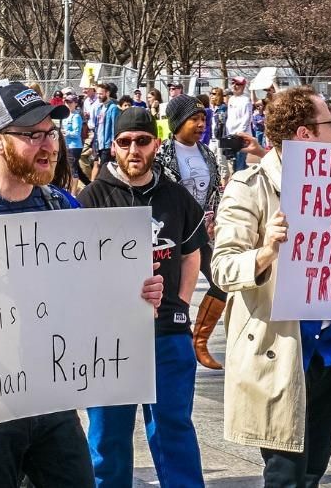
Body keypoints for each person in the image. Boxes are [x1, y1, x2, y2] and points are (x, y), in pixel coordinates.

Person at [0, 82, 163, 487]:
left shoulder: (62, 205)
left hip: (52, 401)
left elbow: (92, 290)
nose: (48, 145)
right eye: (32, 135)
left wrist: (137, 293)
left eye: (51, 132)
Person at [211, 86, 331, 486]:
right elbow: (223, 267)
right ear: (306, 134)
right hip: (281, 354)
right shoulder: (249, 187)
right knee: (285, 476)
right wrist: (267, 251)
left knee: (312, 475)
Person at [79, 106, 206, 488]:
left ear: (157, 143)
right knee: (107, 437)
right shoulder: (91, 199)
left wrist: (181, 305)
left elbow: (191, 252)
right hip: (108, 338)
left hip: (167, 334)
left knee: (173, 429)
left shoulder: (175, 196)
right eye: (125, 142)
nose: (134, 149)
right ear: (113, 147)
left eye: (142, 141)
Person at [155, 94, 228, 369]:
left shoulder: (207, 153)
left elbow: (215, 192)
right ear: (178, 123)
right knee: (172, 292)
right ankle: (176, 342)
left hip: (204, 233)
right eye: (194, 120)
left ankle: (200, 342)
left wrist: (216, 218)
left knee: (222, 282)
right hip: (173, 235)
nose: (200, 125)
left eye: (203, 119)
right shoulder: (162, 156)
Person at [226, 77, 253, 171]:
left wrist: (239, 134)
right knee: (232, 163)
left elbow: (247, 119)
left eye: (238, 84)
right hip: (231, 136)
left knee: (239, 165)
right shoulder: (231, 99)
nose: (235, 86)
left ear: (243, 86)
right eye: (233, 83)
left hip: (241, 137)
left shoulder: (246, 100)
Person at [62, 93, 84, 186]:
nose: (68, 104)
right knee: (68, 169)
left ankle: (73, 193)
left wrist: (65, 133)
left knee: (72, 169)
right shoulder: (65, 116)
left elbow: (76, 133)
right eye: (66, 102)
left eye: (70, 102)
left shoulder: (76, 116)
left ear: (76, 103)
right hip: (67, 145)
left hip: (74, 146)